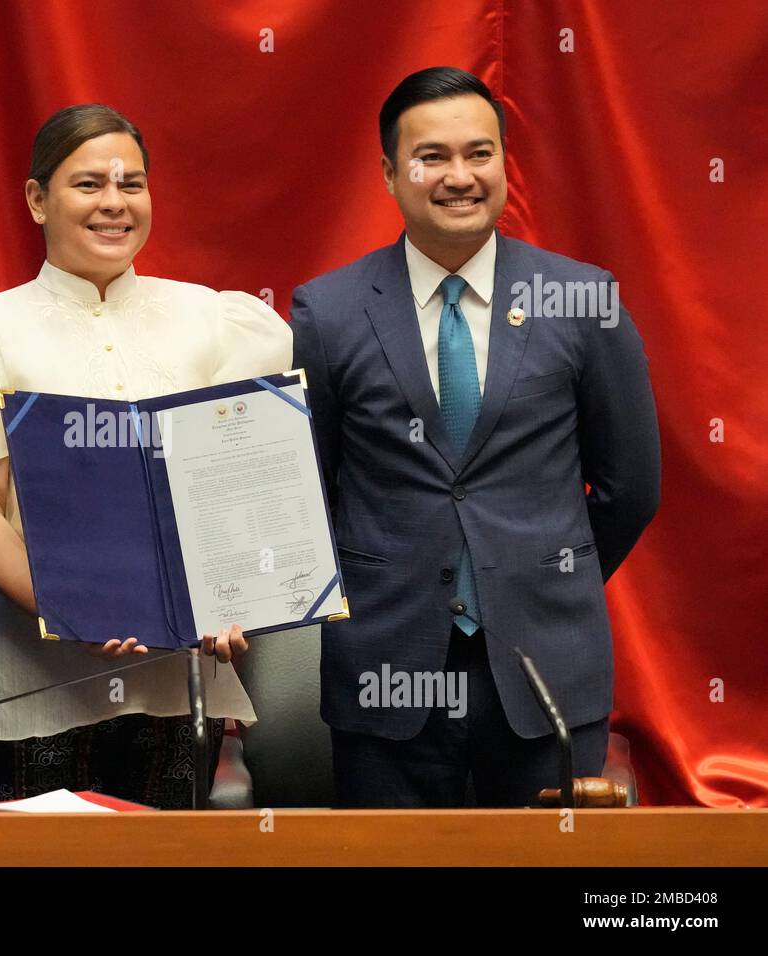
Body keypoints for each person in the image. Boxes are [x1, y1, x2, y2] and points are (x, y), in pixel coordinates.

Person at [290, 67, 660, 808]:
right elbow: (309, 495)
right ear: (391, 174)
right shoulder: (327, 313)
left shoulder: (582, 300)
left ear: (503, 162)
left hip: (545, 668)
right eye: (432, 157)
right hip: (386, 673)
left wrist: (541, 576)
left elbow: (630, 488)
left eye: (479, 153)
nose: (460, 176)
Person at [0, 104, 291, 808]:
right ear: (36, 199)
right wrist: (68, 607)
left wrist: (236, 596)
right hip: (35, 683)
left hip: (179, 687)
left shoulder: (219, 322)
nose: (114, 203)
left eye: (131, 184)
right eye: (88, 184)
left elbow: (241, 496)